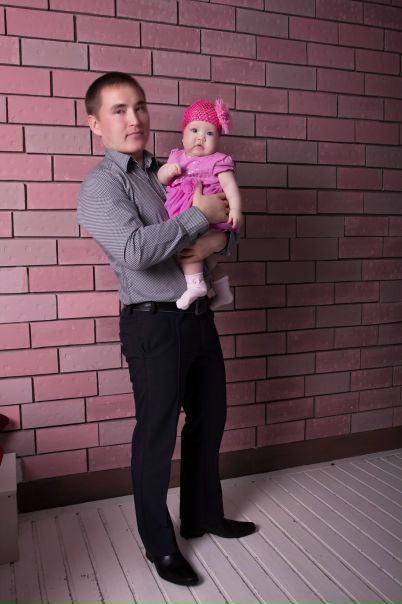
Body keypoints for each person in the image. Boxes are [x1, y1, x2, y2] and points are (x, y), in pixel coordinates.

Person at [77, 72, 255, 588]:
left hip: (197, 314)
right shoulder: (101, 185)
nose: (134, 118)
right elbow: (135, 252)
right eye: (118, 110)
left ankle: (203, 515)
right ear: (95, 124)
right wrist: (198, 218)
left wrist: (214, 239)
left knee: (209, 419)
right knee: (156, 434)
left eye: (140, 106)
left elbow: (228, 227)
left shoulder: (173, 166)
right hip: (152, 324)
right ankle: (160, 545)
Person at [158, 99, 243, 311]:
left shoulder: (217, 161)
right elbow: (162, 179)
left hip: (208, 215)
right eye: (194, 130)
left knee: (190, 247)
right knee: (209, 259)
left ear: (218, 140)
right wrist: (166, 172)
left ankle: (195, 285)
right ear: (183, 135)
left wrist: (235, 209)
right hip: (186, 212)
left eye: (209, 133)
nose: (200, 137)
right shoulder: (177, 157)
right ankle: (223, 292)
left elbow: (230, 187)